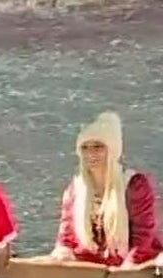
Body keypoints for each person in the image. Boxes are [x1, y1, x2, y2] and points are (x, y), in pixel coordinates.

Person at [50, 111, 162, 267]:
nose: (91, 153)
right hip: (90, 267)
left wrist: (127, 269)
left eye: (98, 147)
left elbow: (143, 237)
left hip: (134, 267)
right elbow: (66, 239)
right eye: (85, 148)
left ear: (112, 150)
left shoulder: (135, 184)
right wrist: (61, 254)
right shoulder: (75, 190)